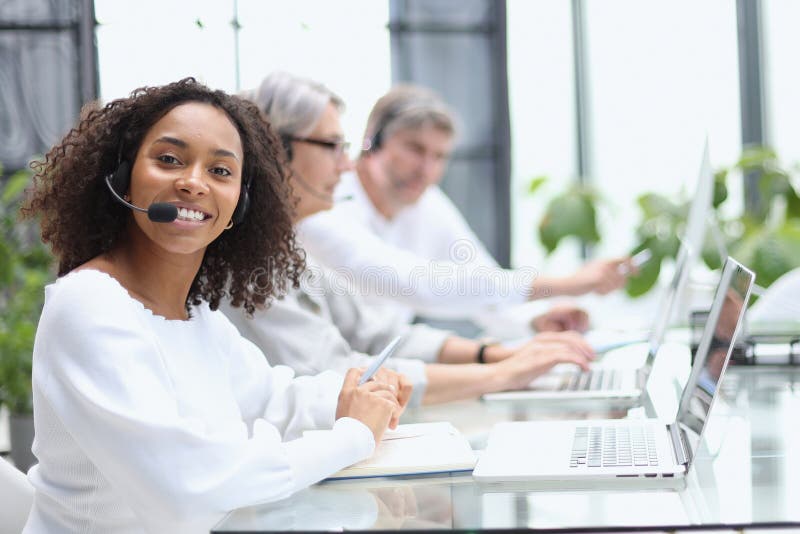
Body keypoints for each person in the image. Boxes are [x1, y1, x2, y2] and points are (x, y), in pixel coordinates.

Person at [20, 78, 411, 534]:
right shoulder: (90, 305)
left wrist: (358, 392)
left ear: (240, 204)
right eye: (169, 160)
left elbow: (272, 401)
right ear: (122, 176)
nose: (193, 183)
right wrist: (353, 436)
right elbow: (187, 491)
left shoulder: (196, 316)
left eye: (221, 171)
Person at [221, 72, 594, 406]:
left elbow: (376, 333)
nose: (345, 163)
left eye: (439, 156)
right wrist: (500, 373)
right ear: (275, 147)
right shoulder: (265, 250)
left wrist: (496, 354)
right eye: (332, 145)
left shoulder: (286, 242)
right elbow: (334, 371)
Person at [296, 84, 631, 328]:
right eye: (415, 149)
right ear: (373, 140)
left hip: (390, 372)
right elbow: (417, 283)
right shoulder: (324, 202)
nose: (426, 169)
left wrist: (535, 320)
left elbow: (478, 275)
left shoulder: (427, 203)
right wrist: (567, 283)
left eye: (440, 156)